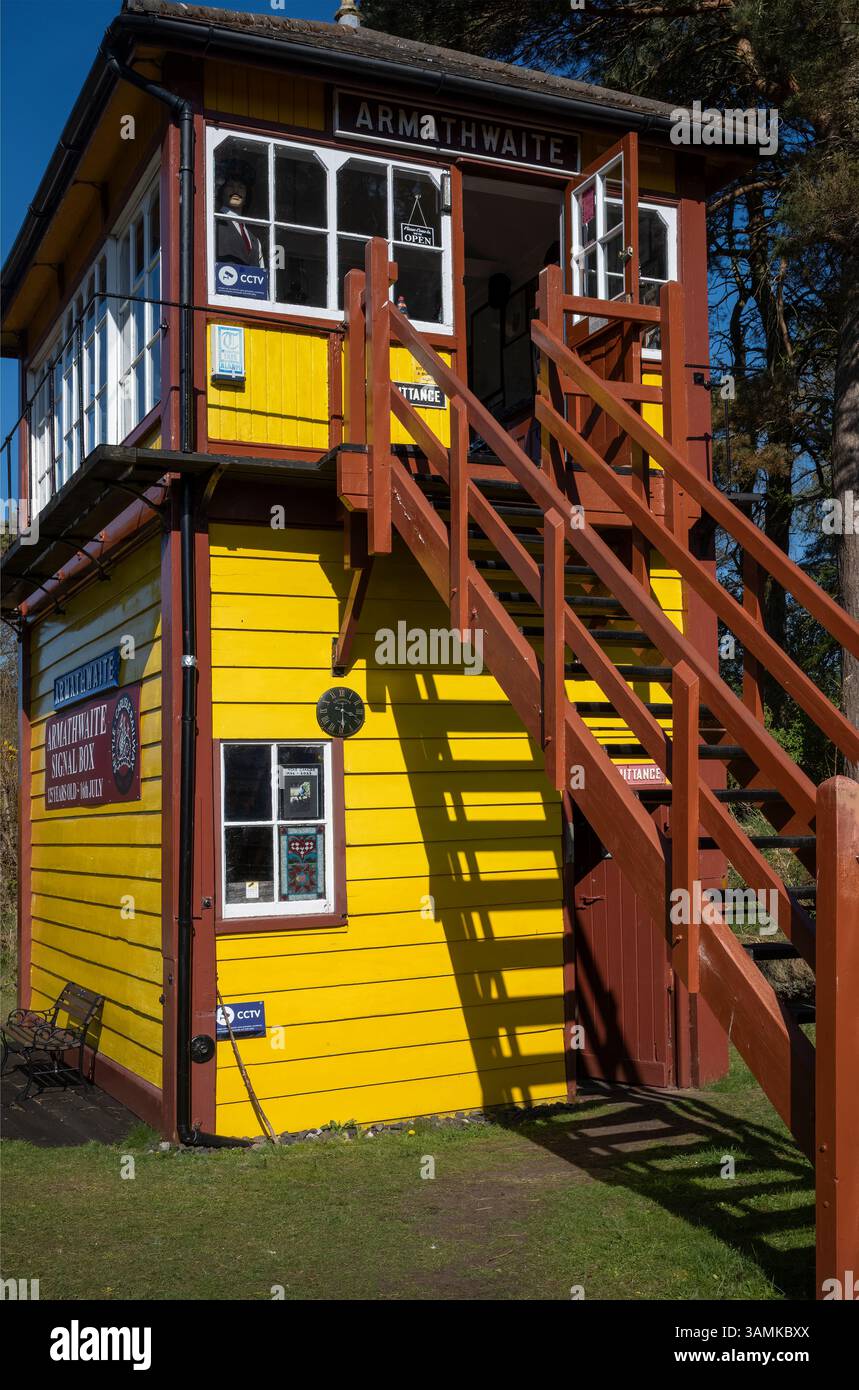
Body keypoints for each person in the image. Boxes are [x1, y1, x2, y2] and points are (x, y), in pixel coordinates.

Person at [215, 158, 265, 268]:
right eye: (230, 186)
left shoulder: (255, 241)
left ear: (247, 195)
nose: (236, 190)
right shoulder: (213, 224)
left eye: (241, 187)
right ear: (221, 191)